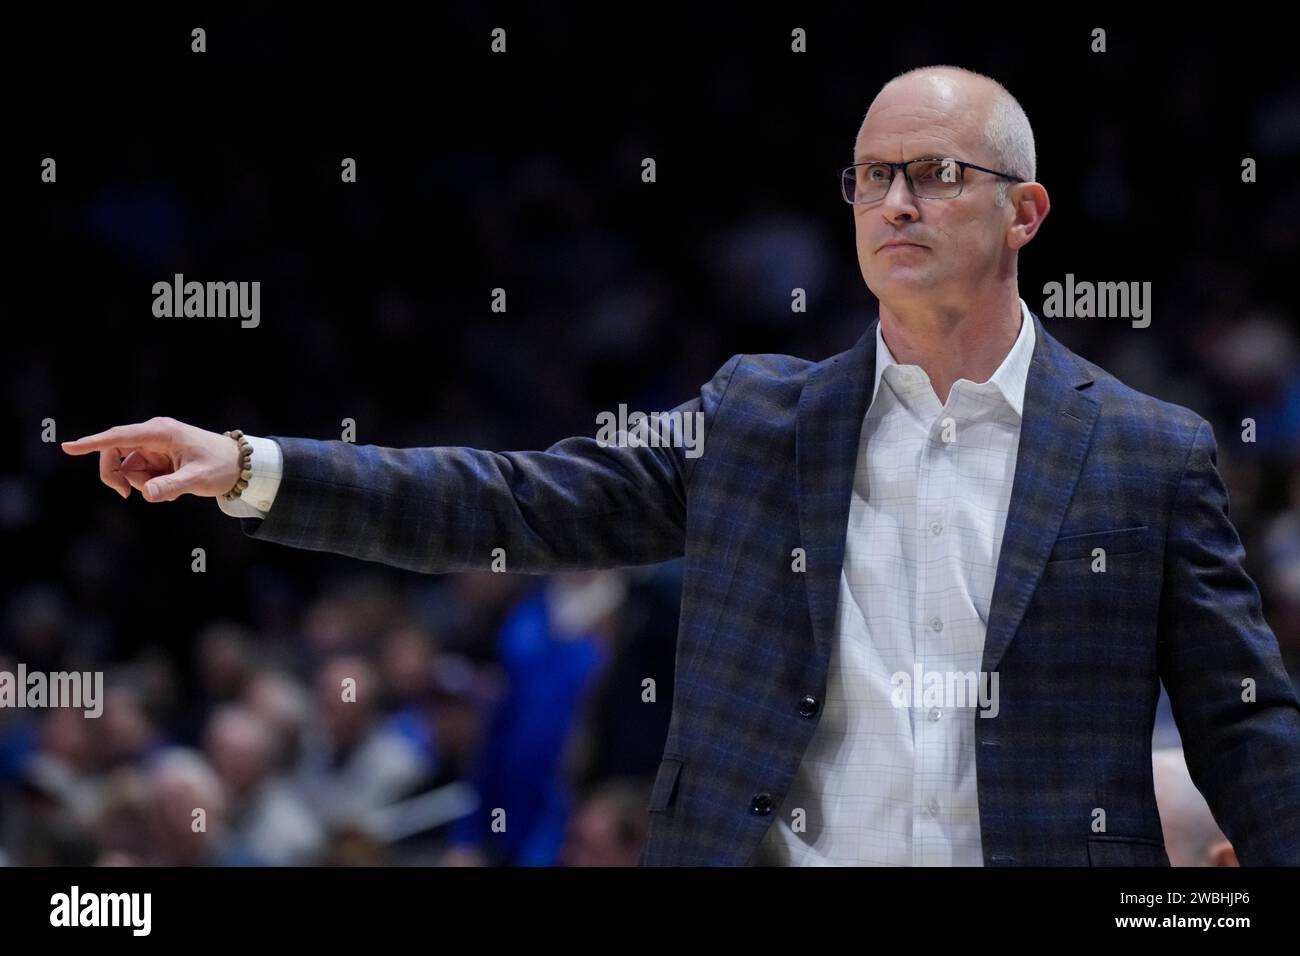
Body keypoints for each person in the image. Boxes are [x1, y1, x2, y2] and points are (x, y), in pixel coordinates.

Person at [62, 64, 1300, 866]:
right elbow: (517, 502)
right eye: (873, 177)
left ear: (1024, 214)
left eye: (937, 175)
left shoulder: (1148, 452)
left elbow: (1246, 725)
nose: (897, 203)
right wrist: (252, 464)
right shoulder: (758, 418)